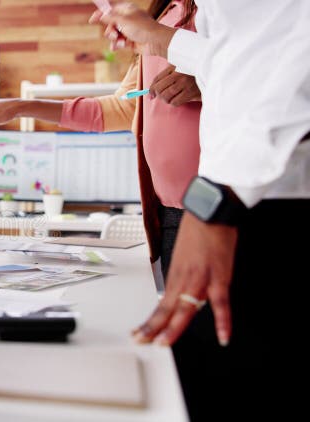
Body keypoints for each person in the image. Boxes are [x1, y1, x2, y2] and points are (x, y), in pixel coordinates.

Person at [94, 1, 310, 420]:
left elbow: (285, 54)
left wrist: (214, 199)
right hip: (243, 195)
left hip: (261, 196)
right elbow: (236, 59)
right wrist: (159, 37)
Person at [0, 1, 200, 279]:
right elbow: (123, 107)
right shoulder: (165, 13)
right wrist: (21, 106)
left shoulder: (212, 12)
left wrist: (203, 81)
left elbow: (248, 76)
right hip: (171, 212)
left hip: (215, 204)